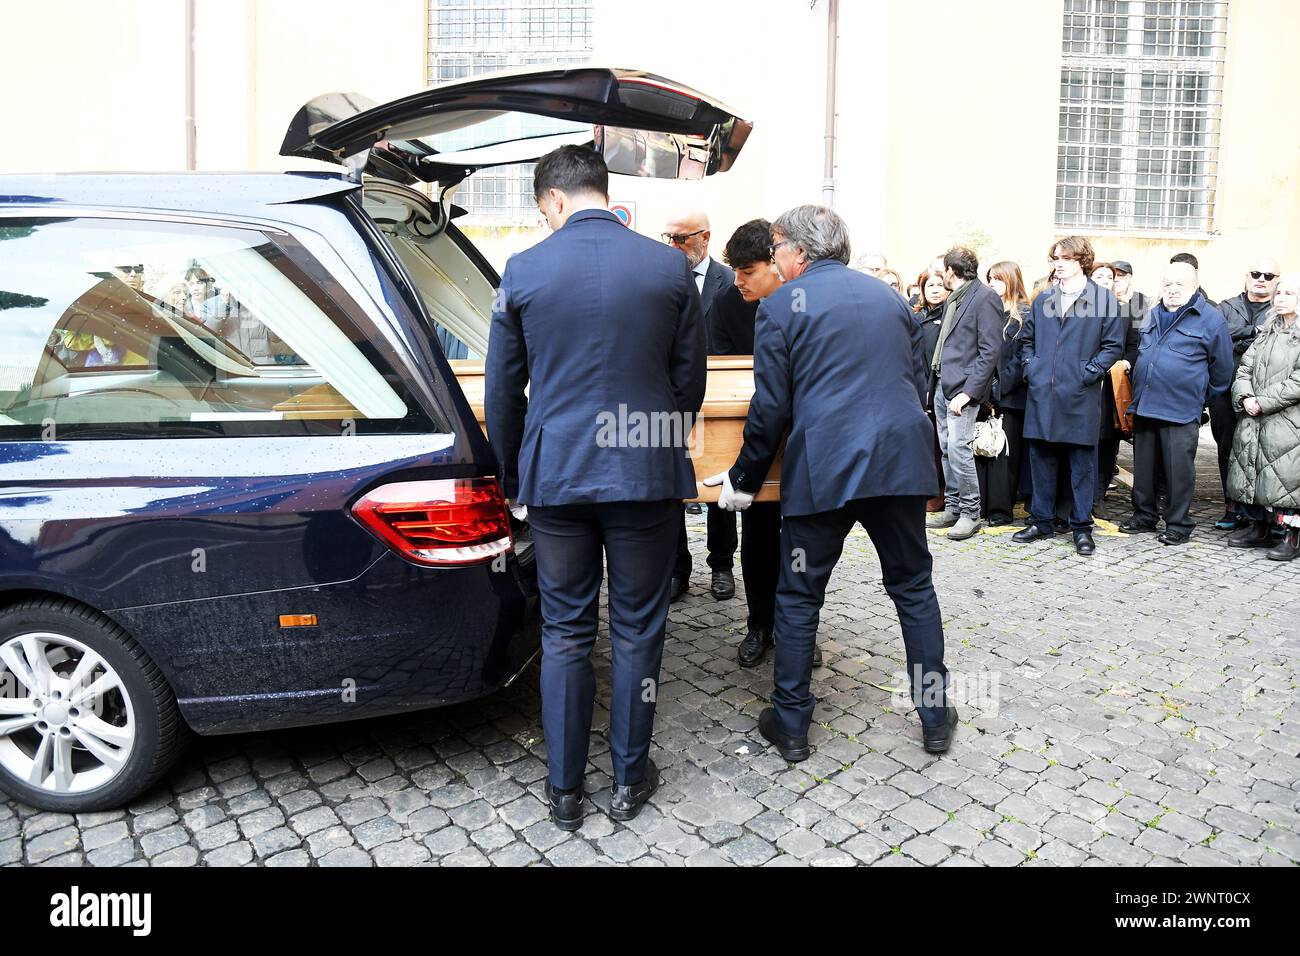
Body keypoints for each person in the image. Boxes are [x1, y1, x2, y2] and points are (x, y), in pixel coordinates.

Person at [486, 145, 706, 829]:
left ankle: (564, 791)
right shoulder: (670, 266)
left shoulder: (524, 270)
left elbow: (502, 392)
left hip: (558, 475)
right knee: (640, 629)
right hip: (644, 471)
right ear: (600, 193)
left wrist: (514, 476)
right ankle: (629, 777)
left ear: (553, 200)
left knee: (566, 632)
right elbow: (689, 384)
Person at [704, 206, 954, 760]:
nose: (773, 260)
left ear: (796, 252)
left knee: (798, 595)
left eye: (776, 250)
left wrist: (743, 478)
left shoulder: (780, 308)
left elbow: (770, 406)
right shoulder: (889, 297)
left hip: (827, 464)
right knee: (913, 588)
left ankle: (792, 722)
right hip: (897, 461)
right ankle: (934, 715)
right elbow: (913, 383)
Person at [1013, 236, 1125, 555]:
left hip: (1079, 394)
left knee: (1081, 464)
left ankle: (1081, 526)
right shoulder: (1045, 298)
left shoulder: (1103, 300)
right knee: (1042, 459)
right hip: (1042, 393)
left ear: (1081, 260)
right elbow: (1028, 340)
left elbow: (1113, 345)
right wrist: (1032, 369)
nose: (1057, 263)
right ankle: (1042, 520)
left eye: (1064, 258)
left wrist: (1087, 373)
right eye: (1055, 258)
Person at [712, 219, 789, 669]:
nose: (737, 281)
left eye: (747, 270)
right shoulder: (734, 303)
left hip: (797, 444)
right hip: (756, 434)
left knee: (800, 544)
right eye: (734, 271)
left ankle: (797, 628)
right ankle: (760, 624)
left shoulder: (798, 302)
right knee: (758, 540)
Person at [1118, 261, 1232, 545]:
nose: (1172, 289)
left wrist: (1198, 399)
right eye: (1167, 283)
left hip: (1180, 410)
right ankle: (1144, 516)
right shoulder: (1153, 314)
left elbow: (1223, 370)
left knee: (1178, 471)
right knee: (1143, 469)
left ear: (1194, 285)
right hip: (1145, 405)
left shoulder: (1210, 319)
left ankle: (1179, 524)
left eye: (1179, 284)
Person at [664, 209, 737, 603]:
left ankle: (722, 563)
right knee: (674, 484)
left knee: (718, 483)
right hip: (673, 395)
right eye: (668, 237)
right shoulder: (661, 275)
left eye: (681, 238)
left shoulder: (730, 280)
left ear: (705, 237)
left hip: (720, 394)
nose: (673, 246)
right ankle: (677, 568)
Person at [926, 247, 1005, 540]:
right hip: (942, 384)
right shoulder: (955, 299)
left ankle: (971, 514)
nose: (939, 276)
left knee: (959, 450)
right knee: (948, 450)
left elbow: (990, 351)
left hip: (962, 389)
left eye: (941, 271)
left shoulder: (985, 297)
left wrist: (969, 393)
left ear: (950, 271)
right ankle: (954, 507)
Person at [1226, 273, 1300, 560]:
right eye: (1279, 294)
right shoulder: (1268, 331)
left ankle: (1292, 538)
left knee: (1287, 478)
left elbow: (1297, 381)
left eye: (1289, 294)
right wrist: (1245, 397)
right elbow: (1245, 367)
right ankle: (1261, 529)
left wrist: (1264, 401)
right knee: (1255, 471)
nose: (1281, 298)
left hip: (1288, 420)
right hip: (1255, 415)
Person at [1212, 258, 1282, 530]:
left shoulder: (1281, 308)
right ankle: (1231, 507)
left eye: (1268, 275)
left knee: (1262, 452)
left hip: (1264, 393)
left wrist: (1237, 339)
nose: (1261, 279)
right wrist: (1252, 332)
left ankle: (1261, 512)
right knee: (1226, 448)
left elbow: (1277, 340)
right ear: (1247, 276)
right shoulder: (1226, 306)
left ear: (1277, 280)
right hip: (1225, 389)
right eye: (1256, 273)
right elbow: (1217, 333)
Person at [977, 260, 1032, 525]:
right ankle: (983, 506)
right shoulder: (988, 311)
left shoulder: (1024, 315)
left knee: (1004, 455)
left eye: (997, 279)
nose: (991, 284)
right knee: (983, 449)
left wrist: (1000, 388)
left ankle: (1001, 509)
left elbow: (1023, 357)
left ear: (1010, 280)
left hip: (1011, 397)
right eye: (989, 279)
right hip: (984, 392)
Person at [915, 271, 950, 513]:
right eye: (930, 285)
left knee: (941, 445)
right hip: (917, 385)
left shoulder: (950, 315)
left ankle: (942, 493)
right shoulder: (916, 316)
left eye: (940, 285)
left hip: (941, 387)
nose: (935, 289)